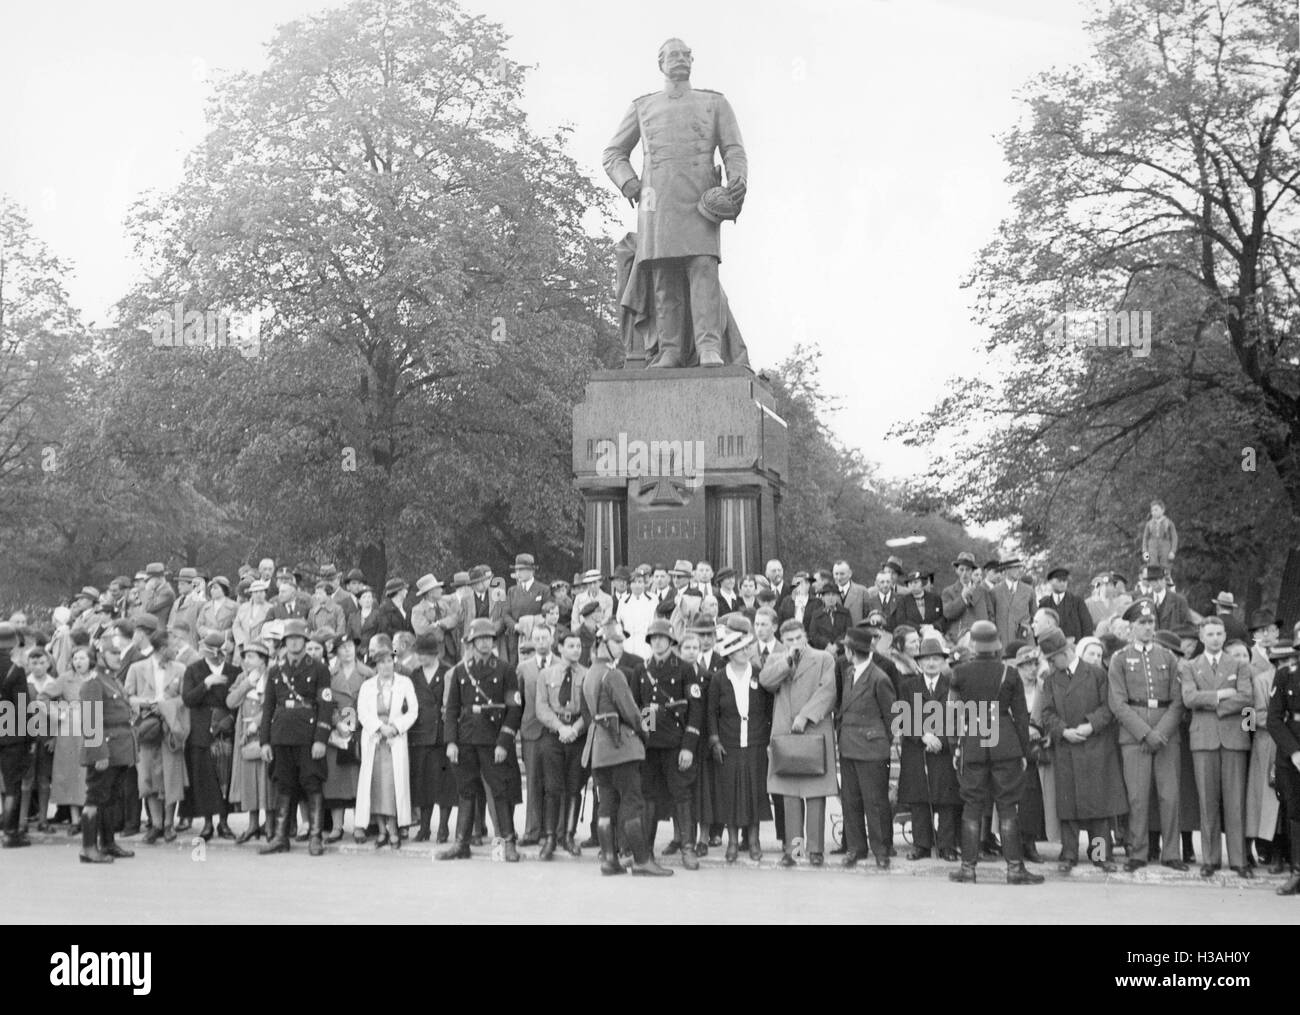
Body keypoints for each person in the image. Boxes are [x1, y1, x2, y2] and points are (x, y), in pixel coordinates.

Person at [603, 38, 748, 368]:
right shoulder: (643, 106)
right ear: (661, 63)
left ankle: (709, 347)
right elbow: (613, 153)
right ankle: (669, 349)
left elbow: (733, 150)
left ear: (692, 62)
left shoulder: (715, 103)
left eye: (686, 55)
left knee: (703, 269)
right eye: (673, 55)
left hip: (701, 198)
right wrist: (630, 183)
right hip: (656, 199)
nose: (680, 60)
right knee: (663, 275)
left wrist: (736, 183)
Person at [947, 620, 1042, 885]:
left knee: (972, 805)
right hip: (1005, 742)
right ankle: (1014, 868)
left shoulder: (959, 673)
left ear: (973, 644)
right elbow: (1021, 717)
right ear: (997, 644)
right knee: (1008, 806)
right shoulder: (1009, 674)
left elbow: (952, 713)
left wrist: (957, 745)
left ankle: (968, 868)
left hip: (973, 743)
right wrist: (1023, 750)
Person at [579, 628, 670, 876]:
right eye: (616, 641)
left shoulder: (589, 674)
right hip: (622, 749)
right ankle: (642, 861)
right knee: (632, 802)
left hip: (600, 750)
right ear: (601, 644)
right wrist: (645, 732)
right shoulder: (613, 674)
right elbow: (631, 712)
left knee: (606, 805)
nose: (621, 646)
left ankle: (610, 860)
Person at [1106, 598, 1187, 871]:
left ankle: (1171, 853)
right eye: (1141, 623)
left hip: (1166, 735)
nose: (1147, 627)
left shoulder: (1168, 657)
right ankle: (1137, 852)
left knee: (1170, 795)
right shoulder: (1120, 659)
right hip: (1135, 737)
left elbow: (1178, 701)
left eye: (1151, 622)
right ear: (1130, 627)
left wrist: (1160, 732)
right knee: (1138, 797)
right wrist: (1144, 733)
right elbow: (1117, 703)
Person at [1038, 627, 1127, 873]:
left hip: (1095, 746)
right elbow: (1046, 713)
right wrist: (1063, 731)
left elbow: (1108, 708)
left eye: (1053, 658)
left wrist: (1090, 726)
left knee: (1099, 807)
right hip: (1066, 747)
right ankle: (1068, 855)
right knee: (1068, 806)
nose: (1051, 662)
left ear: (1065, 653)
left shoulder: (1098, 674)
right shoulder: (1050, 680)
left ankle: (1100, 854)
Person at [439, 617, 524, 861]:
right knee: (466, 791)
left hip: (492, 739)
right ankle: (461, 843)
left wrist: (503, 742)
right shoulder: (460, 671)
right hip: (466, 739)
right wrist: (451, 742)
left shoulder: (505, 669)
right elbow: (452, 709)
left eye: (489, 638)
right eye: (480, 639)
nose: (485, 643)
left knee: (499, 791)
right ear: (472, 643)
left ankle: (508, 841)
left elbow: (514, 709)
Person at [1181, 615, 1254, 878]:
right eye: (1210, 634)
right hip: (1203, 738)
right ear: (1201, 637)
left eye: (1219, 634)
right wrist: (1222, 695)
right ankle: (1210, 859)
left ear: (1225, 636)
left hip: (1234, 737)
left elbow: (1247, 697)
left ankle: (1239, 860)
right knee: (1207, 801)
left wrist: (1211, 705)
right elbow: (1189, 698)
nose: (1215, 639)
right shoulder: (1190, 666)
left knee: (1235, 801)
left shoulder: (1239, 664)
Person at [760, 619, 837, 867]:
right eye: (789, 640)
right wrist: (786, 661)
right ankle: (795, 850)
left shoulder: (824, 658)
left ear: (806, 636)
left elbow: (828, 691)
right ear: (783, 641)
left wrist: (805, 716)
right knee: (790, 795)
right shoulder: (777, 660)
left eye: (798, 638)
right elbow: (766, 682)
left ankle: (815, 850)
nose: (795, 643)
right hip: (786, 733)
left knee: (815, 793)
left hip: (814, 728)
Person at [630, 618, 703, 869]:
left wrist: (688, 747)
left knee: (682, 795)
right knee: (649, 797)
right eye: (654, 638)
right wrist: (648, 729)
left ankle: (687, 848)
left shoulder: (684, 668)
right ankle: (647, 852)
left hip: (676, 743)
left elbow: (695, 711)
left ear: (671, 642)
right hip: (652, 747)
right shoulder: (642, 670)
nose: (658, 642)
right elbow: (637, 706)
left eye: (662, 638)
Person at [257, 618, 333, 856]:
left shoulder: (319, 669)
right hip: (281, 735)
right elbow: (268, 707)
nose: (294, 642)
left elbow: (326, 706)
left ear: (305, 640)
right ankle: (281, 836)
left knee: (312, 784)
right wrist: (265, 741)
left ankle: (315, 836)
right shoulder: (275, 671)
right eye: (290, 639)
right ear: (284, 642)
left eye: (298, 638)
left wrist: (321, 738)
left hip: (308, 736)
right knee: (283, 785)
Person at [896, 636, 962, 862]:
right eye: (926, 659)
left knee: (946, 800)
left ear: (943, 661)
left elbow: (959, 717)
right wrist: (923, 736)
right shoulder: (908, 687)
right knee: (919, 800)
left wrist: (942, 739)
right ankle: (921, 845)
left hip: (944, 751)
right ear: (920, 663)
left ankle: (946, 846)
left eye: (936, 659)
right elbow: (902, 719)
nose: (931, 663)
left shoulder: (952, 686)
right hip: (917, 750)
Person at [75, 630, 137, 864]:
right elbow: (91, 722)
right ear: (100, 655)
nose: (117, 657)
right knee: (95, 798)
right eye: (112, 653)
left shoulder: (112, 680)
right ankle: (88, 847)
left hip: (118, 748)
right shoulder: (94, 682)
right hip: (104, 749)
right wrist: (99, 753)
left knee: (111, 798)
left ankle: (107, 843)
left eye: (119, 653)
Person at [124, 630, 188, 844]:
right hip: (147, 726)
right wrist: (147, 703)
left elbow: (184, 699)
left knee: (171, 775)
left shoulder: (180, 669)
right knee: (148, 775)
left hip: (170, 728)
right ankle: (156, 824)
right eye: (172, 645)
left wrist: (167, 706)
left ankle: (169, 824)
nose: (176, 649)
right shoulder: (137, 668)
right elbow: (128, 697)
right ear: (161, 648)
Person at [355, 636, 418, 849]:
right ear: (376, 665)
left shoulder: (404, 683)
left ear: (394, 662)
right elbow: (362, 712)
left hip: (395, 740)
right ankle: (381, 830)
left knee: (392, 785)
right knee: (374, 784)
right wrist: (379, 727)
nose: (386, 666)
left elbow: (413, 711)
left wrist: (396, 727)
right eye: (381, 662)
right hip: (375, 739)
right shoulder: (367, 686)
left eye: (389, 661)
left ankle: (394, 828)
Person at [534, 630, 588, 859]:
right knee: (552, 788)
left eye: (579, 646)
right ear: (561, 648)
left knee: (574, 788)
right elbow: (542, 707)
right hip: (554, 733)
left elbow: (590, 709)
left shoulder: (587, 675)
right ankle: (550, 837)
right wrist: (560, 728)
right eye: (571, 646)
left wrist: (575, 729)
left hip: (578, 734)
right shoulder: (547, 675)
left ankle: (568, 836)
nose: (576, 650)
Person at [180, 632, 238, 840]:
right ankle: (207, 823)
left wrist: (229, 720)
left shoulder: (233, 671)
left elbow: (236, 700)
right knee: (203, 777)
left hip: (225, 727)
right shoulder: (194, 670)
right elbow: (187, 699)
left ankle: (224, 822)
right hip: (201, 728)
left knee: (225, 776)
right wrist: (206, 684)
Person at [406, 631, 455, 844]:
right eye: (418, 653)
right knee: (423, 785)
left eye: (423, 654)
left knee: (445, 785)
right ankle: (424, 828)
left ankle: (443, 827)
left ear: (434, 653)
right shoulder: (414, 675)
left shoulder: (448, 672)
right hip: (420, 736)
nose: (420, 657)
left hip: (441, 735)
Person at [323, 633, 370, 842]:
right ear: (337, 652)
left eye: (350, 646)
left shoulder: (368, 674)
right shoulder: (330, 676)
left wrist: (361, 722)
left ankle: (359, 826)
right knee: (337, 779)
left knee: (360, 780)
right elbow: (325, 703)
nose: (347, 650)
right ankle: (337, 826)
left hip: (360, 731)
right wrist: (337, 722)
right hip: (338, 734)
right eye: (342, 647)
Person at [226, 641, 274, 844]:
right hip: (245, 733)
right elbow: (230, 701)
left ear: (263, 660)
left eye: (252, 657)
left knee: (267, 779)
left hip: (267, 732)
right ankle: (253, 824)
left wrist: (258, 722)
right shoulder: (242, 678)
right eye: (245, 657)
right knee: (249, 779)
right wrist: (247, 684)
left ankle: (270, 825)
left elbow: (276, 704)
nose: (247, 660)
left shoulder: (273, 677)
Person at [1266, 647, 1300, 895]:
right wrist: (1295, 752)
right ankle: (1297, 871)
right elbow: (1272, 719)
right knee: (1295, 812)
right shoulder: (1284, 676)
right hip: (1291, 750)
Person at [49, 645, 91, 835]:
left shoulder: (97, 678)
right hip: (71, 731)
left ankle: (90, 818)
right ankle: (75, 820)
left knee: (90, 774)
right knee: (72, 773)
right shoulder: (65, 679)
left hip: (94, 728)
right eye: (75, 658)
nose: (78, 662)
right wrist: (60, 712)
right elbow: (44, 698)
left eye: (82, 658)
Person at [0, 622, 33, 848]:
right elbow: (23, 707)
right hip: (11, 733)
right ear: (12, 646)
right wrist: (30, 737)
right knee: (13, 785)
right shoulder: (15, 670)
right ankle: (10, 832)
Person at [503, 554, 549, 665]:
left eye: (521, 570)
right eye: (516, 570)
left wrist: (531, 625)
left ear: (531, 571)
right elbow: (505, 614)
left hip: (536, 636)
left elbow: (546, 613)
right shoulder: (512, 591)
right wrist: (515, 626)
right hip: (515, 637)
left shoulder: (543, 589)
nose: (518, 573)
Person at [942, 552, 992, 640]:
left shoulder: (983, 592)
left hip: (980, 639)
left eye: (968, 569)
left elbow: (991, 615)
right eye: (961, 569)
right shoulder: (948, 591)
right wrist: (962, 598)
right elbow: (948, 613)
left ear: (972, 571)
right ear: (956, 570)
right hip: (957, 640)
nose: (964, 573)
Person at [1038, 567, 1093, 643]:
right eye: (1059, 581)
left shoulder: (1077, 601)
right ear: (1050, 582)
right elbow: (1040, 628)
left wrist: (1084, 644)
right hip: (1052, 646)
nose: (1062, 583)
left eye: (1065, 580)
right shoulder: (1044, 604)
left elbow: (1087, 625)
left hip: (1075, 646)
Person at [617, 571, 657, 658]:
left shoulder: (652, 599)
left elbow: (656, 621)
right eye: (634, 582)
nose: (637, 585)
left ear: (644, 584)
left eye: (640, 582)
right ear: (630, 584)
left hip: (645, 641)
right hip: (629, 641)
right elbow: (618, 621)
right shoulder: (623, 600)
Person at [897, 571, 945, 635]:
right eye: (910, 583)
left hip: (934, 633)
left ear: (923, 583)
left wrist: (932, 626)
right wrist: (919, 628)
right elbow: (901, 620)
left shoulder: (935, 598)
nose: (913, 585)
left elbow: (942, 618)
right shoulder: (903, 601)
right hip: (912, 634)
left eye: (916, 582)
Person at [1141, 498, 1178, 569]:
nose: (1153, 512)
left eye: (1156, 510)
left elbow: (1174, 537)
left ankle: (1166, 578)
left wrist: (1173, 551)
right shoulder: (1149, 524)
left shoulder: (1169, 523)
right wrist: (1145, 553)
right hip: (1152, 548)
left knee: (1165, 566)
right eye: (1152, 510)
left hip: (1165, 547)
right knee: (1152, 565)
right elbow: (1145, 538)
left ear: (1163, 510)